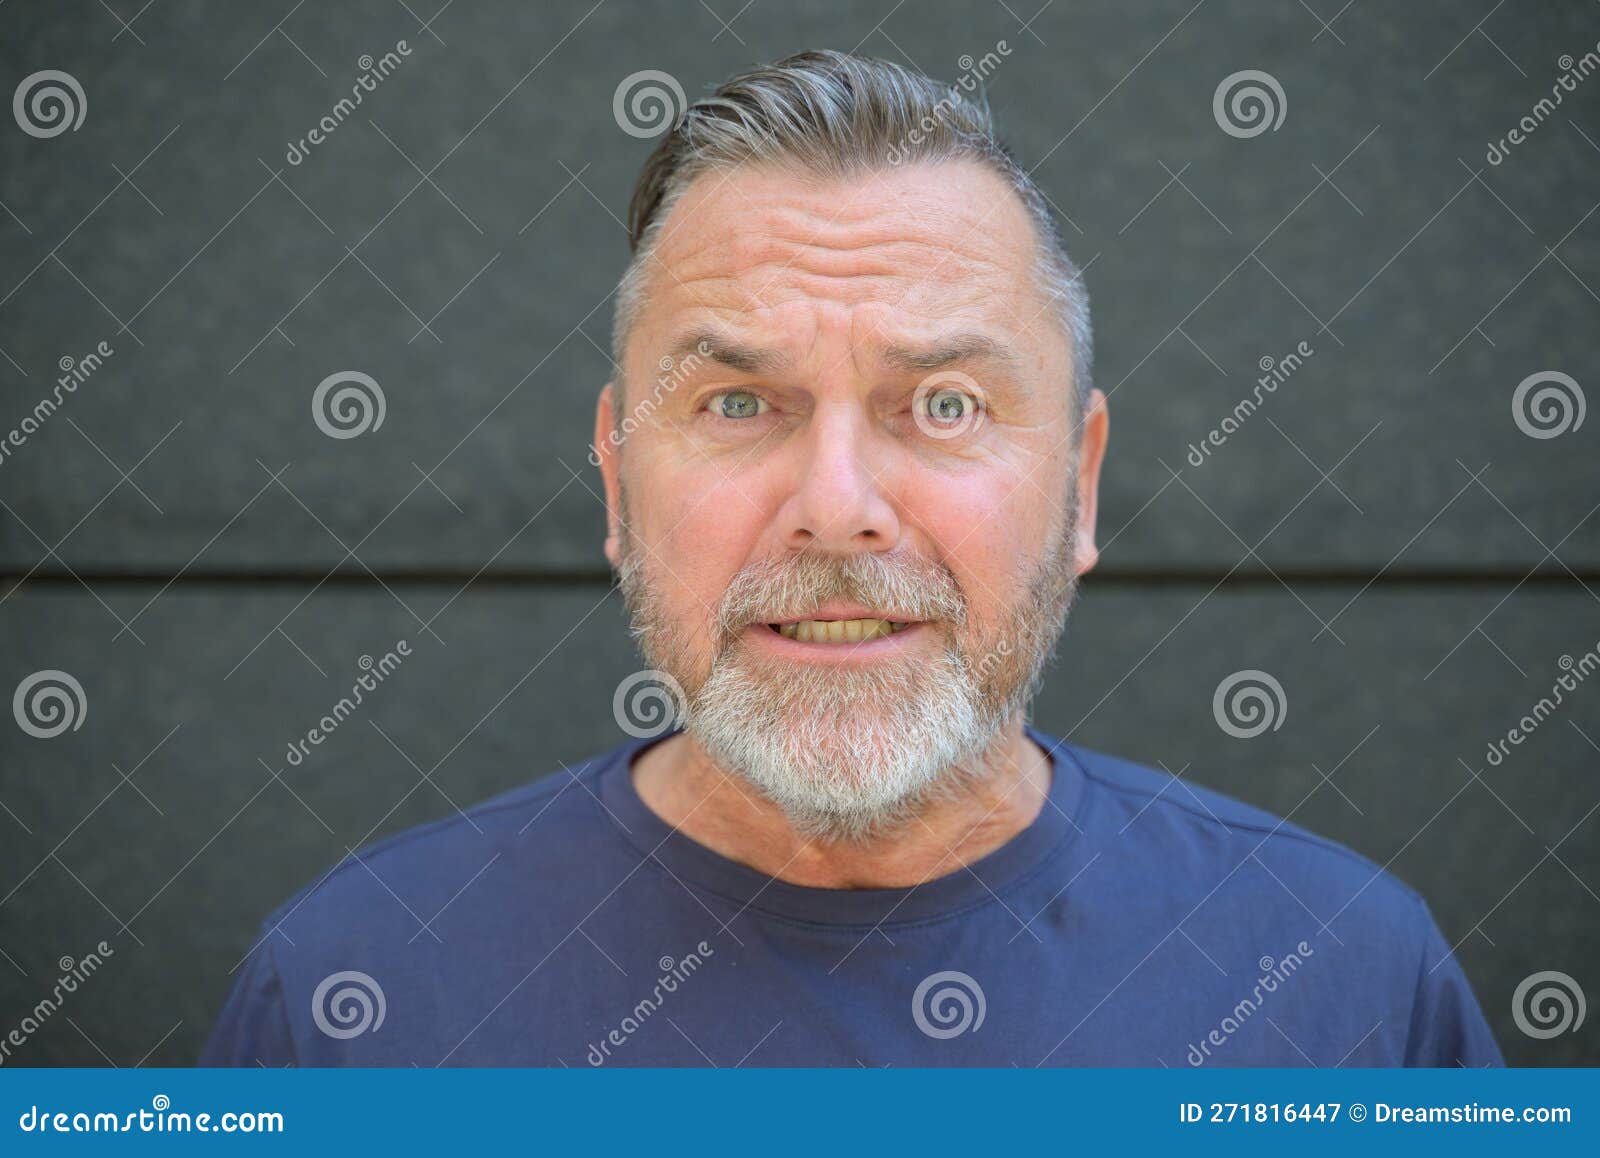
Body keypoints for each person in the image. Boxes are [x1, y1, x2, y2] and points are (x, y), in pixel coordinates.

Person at [204, 50, 1501, 1067]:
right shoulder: (348, 998)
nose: (837, 507)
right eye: (735, 404)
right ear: (614, 477)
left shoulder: (1343, 981)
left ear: (1082, 481)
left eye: (941, 403)